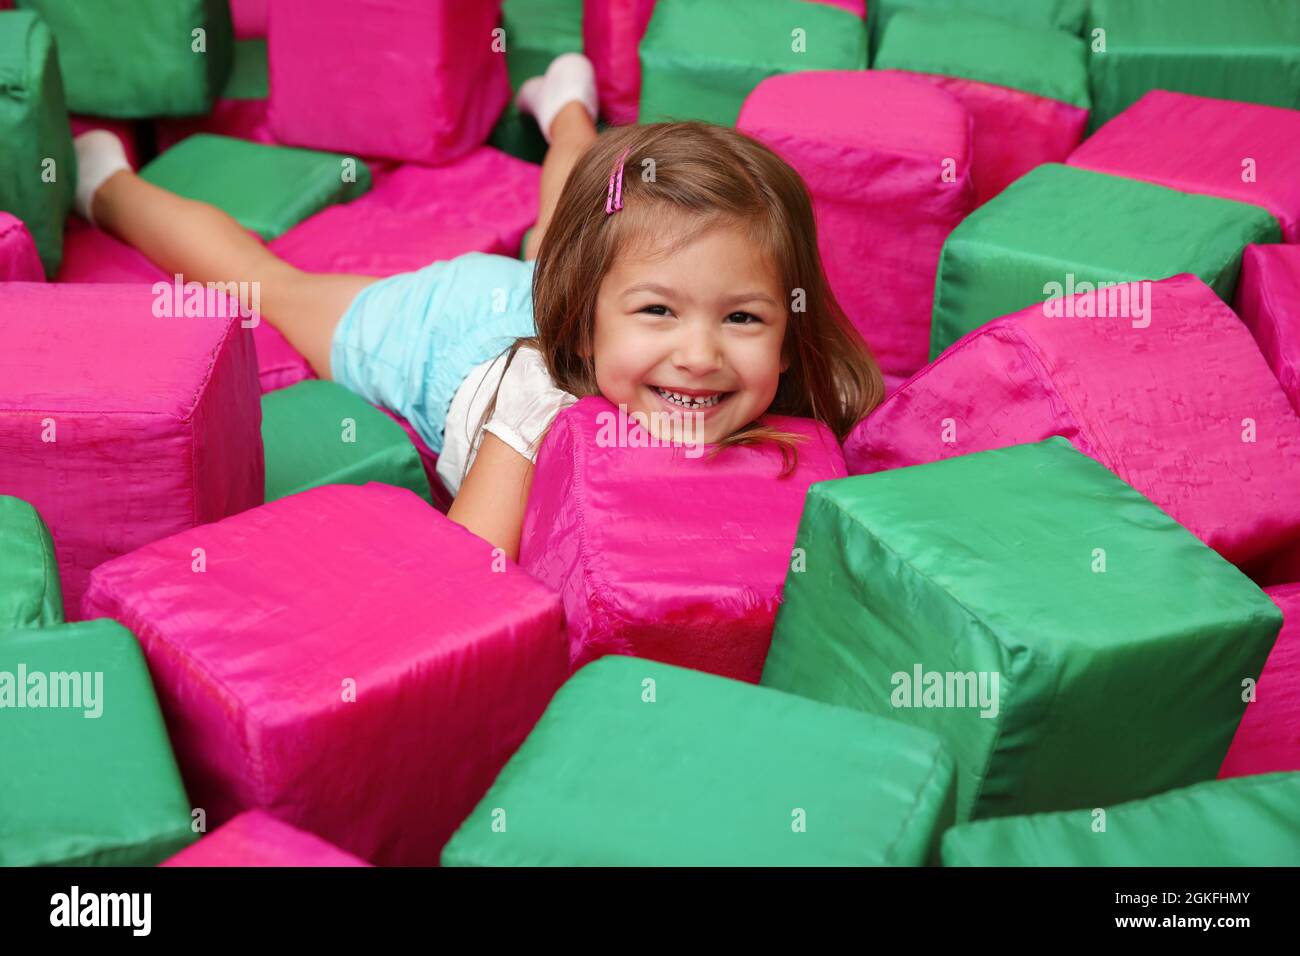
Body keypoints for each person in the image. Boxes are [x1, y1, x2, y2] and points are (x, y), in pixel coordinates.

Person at [73, 53, 883, 559]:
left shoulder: (791, 393)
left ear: (787, 335)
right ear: (585, 320)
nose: (701, 355)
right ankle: (108, 187)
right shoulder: (538, 414)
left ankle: (564, 104)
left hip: (557, 293)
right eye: (662, 315)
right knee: (267, 283)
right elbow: (471, 575)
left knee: (559, 238)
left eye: (742, 318)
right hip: (439, 333)